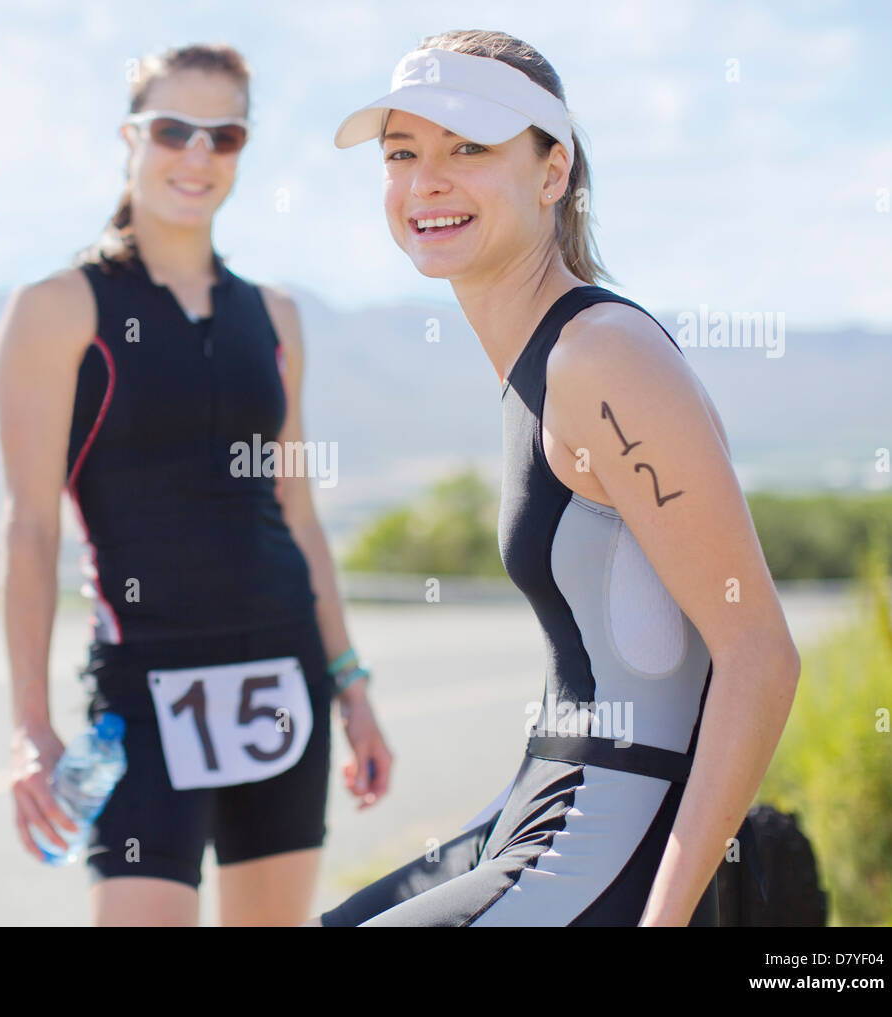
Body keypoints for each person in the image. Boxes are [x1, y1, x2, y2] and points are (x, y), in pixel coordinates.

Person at [308, 29, 799, 927]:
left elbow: (759, 652)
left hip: (619, 847)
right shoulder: (539, 360)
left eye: (469, 148)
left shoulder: (597, 356)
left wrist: (666, 915)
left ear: (551, 170)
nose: (427, 182)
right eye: (402, 154)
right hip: (551, 806)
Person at [0, 43, 392, 927]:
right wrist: (30, 723)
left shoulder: (276, 315)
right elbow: (29, 528)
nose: (198, 155)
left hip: (284, 681)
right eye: (174, 129)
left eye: (227, 135)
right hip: (143, 685)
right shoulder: (60, 308)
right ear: (130, 139)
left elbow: (297, 511)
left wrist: (351, 684)